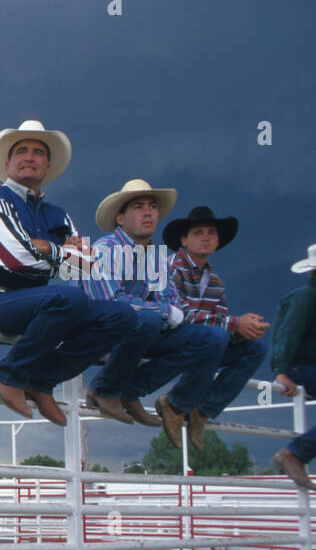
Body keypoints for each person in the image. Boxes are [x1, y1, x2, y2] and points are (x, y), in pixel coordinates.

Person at [0, 120, 133, 425]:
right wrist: (60, 252)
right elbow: (15, 259)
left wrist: (44, 248)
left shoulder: (59, 214)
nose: (30, 156)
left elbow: (87, 266)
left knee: (122, 316)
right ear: (8, 163)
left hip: (41, 301)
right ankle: (8, 375)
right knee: (67, 298)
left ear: (47, 165)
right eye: (22, 151)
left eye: (39, 152)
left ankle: (41, 381)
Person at [79, 178, 224, 428]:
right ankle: (103, 388)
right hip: (101, 331)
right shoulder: (102, 250)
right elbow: (110, 304)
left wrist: (166, 312)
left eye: (152, 206)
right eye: (137, 206)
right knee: (147, 318)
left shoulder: (156, 258)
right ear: (120, 218)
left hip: (139, 333)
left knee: (213, 338)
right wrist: (165, 312)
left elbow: (170, 301)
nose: (148, 212)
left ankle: (130, 390)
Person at [159, 206, 268, 450]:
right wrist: (235, 324)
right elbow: (180, 316)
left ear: (218, 241)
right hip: (167, 338)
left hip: (202, 343)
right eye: (198, 232)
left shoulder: (216, 281)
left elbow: (220, 319)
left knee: (256, 349)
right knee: (216, 335)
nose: (206, 237)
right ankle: (175, 403)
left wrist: (245, 329)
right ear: (184, 240)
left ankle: (202, 409)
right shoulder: (171, 268)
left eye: (211, 233)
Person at [269, 243, 315, 489]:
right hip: (299, 367)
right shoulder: (306, 297)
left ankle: (295, 453)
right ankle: (293, 454)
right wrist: (282, 371)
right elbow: (288, 334)